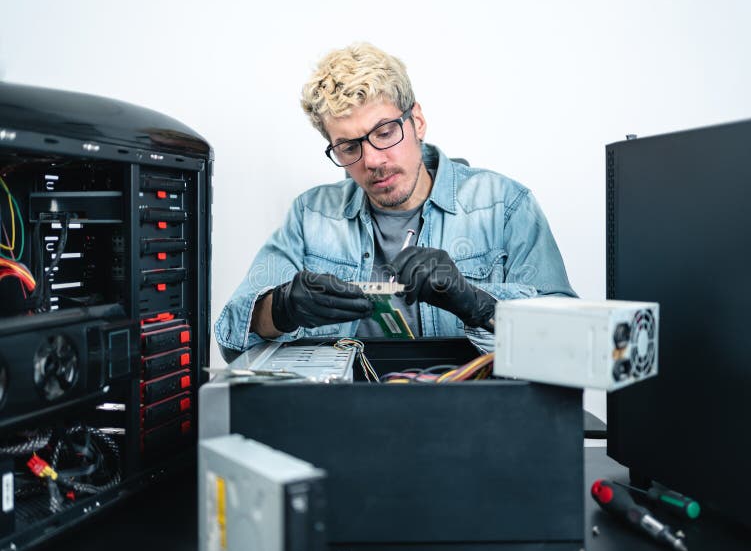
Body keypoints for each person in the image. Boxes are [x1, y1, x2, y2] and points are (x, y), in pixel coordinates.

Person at [214, 43, 575, 357]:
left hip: (473, 406)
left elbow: (572, 342)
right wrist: (281, 309)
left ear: (417, 121)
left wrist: (478, 304)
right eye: (349, 147)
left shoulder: (505, 206)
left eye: (384, 133)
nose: (372, 160)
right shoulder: (310, 216)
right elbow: (232, 337)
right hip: (350, 407)